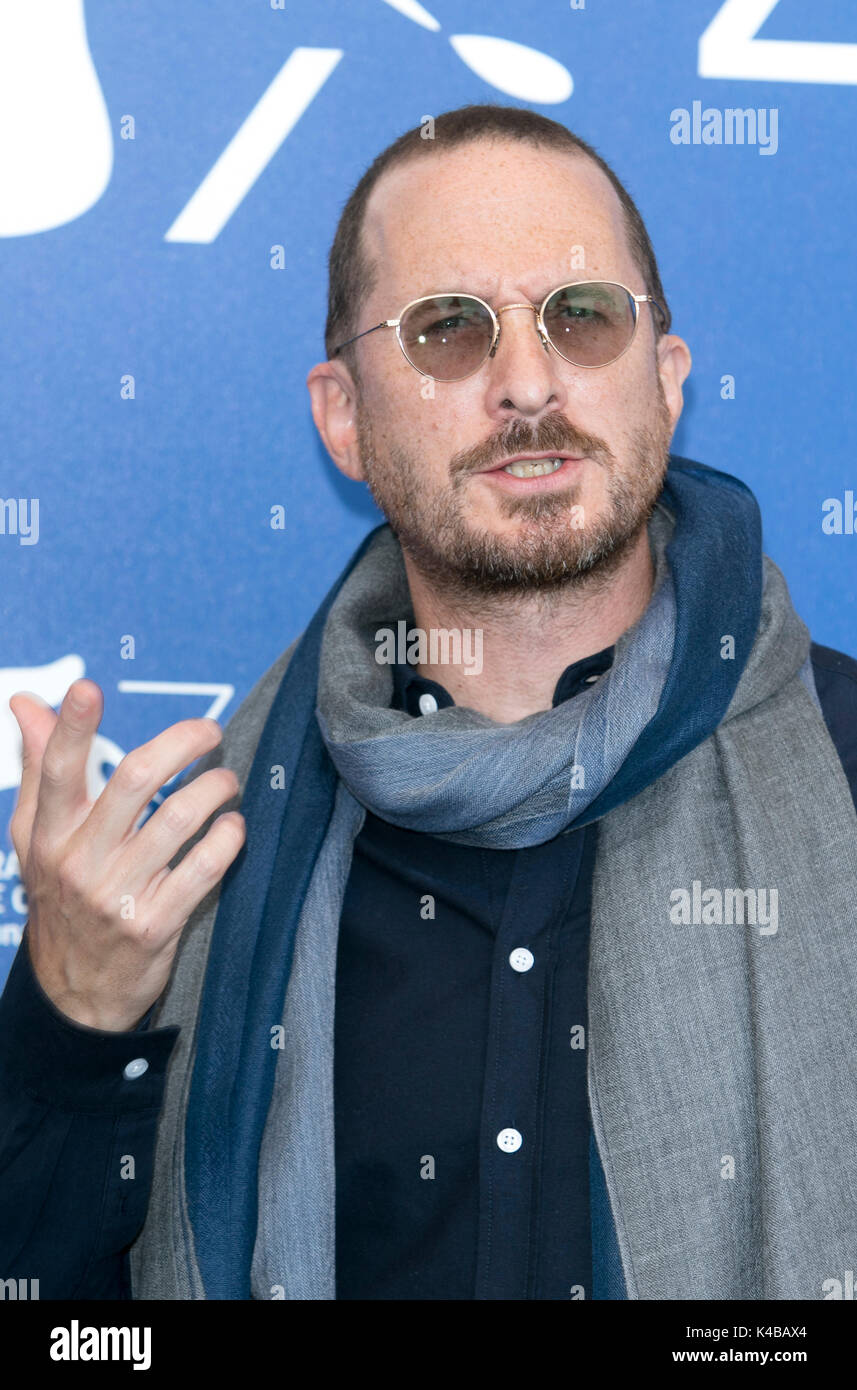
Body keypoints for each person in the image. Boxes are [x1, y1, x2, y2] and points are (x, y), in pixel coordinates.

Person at [2, 104, 856, 1302]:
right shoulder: (201, 868)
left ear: (664, 381)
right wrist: (75, 1028)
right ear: (342, 418)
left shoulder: (843, 773)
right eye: (447, 329)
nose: (525, 383)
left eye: (581, 316)